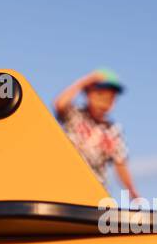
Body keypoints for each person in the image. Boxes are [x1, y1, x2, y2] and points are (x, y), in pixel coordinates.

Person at [52, 67, 141, 200]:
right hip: (67, 184)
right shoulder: (75, 115)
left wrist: (131, 190)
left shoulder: (113, 130)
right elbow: (59, 103)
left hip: (95, 191)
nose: (104, 102)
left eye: (110, 98)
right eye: (100, 95)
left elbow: (120, 162)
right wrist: (86, 81)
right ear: (88, 94)